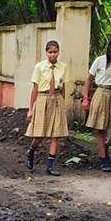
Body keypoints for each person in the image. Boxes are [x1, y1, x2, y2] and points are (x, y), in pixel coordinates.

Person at [82, 34, 111, 172]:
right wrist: (85, 98)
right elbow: (89, 79)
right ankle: (103, 159)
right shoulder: (99, 61)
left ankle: (105, 146)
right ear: (109, 49)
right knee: (100, 129)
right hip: (101, 93)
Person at [24, 40, 69, 177]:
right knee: (40, 134)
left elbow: (63, 86)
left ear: (58, 52)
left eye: (55, 52)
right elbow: (35, 89)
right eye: (50, 52)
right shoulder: (39, 67)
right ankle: (31, 151)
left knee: (55, 134)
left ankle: (50, 166)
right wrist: (31, 109)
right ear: (46, 53)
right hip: (42, 99)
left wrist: (63, 103)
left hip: (56, 100)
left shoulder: (63, 67)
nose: (53, 55)